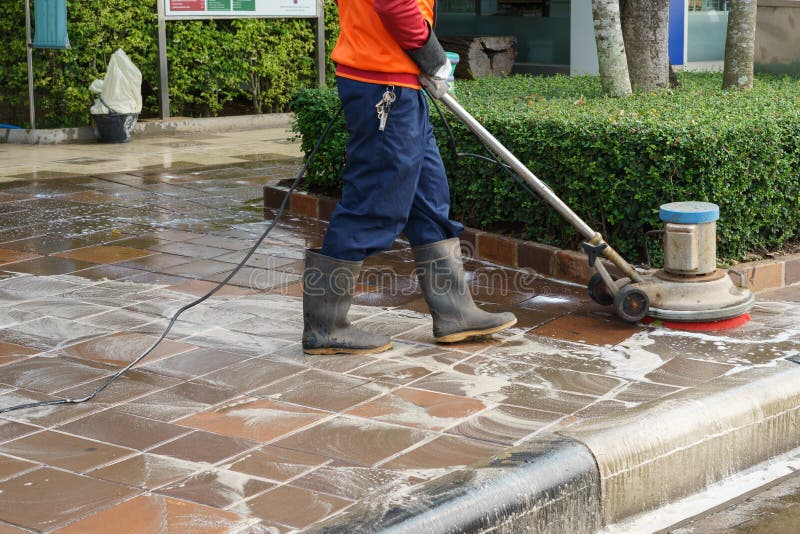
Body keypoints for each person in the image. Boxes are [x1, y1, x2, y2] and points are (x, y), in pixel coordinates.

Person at [302, 0, 518, 355]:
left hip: (401, 82)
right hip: (383, 85)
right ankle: (325, 325)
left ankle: (455, 314)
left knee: (429, 200)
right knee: (373, 204)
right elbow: (393, 4)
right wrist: (433, 57)